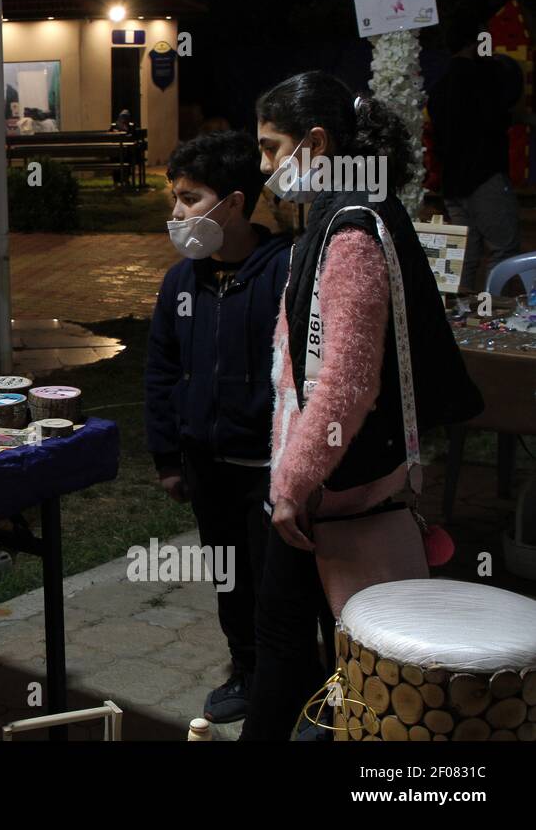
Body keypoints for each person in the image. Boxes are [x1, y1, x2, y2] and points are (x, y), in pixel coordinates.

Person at [244, 71, 482, 740]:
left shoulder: (348, 230)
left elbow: (344, 383)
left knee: (308, 665)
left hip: (332, 497)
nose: (264, 168)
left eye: (271, 148)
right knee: (329, 671)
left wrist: (292, 483)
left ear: (315, 143)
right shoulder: (353, 211)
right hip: (335, 489)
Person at [145, 131, 292, 723]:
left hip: (269, 472)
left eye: (189, 198)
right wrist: (168, 458)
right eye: (174, 199)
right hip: (206, 466)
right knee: (230, 577)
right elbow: (160, 370)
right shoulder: (182, 282)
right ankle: (247, 672)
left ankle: (300, 689)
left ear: (233, 203)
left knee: (279, 588)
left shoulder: (284, 271)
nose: (177, 213)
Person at [427, 51, 528, 293]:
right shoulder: (484, 78)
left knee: (463, 256)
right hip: (484, 177)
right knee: (502, 250)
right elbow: (498, 113)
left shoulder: (441, 84)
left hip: (453, 183)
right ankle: (494, 315)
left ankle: (465, 318)